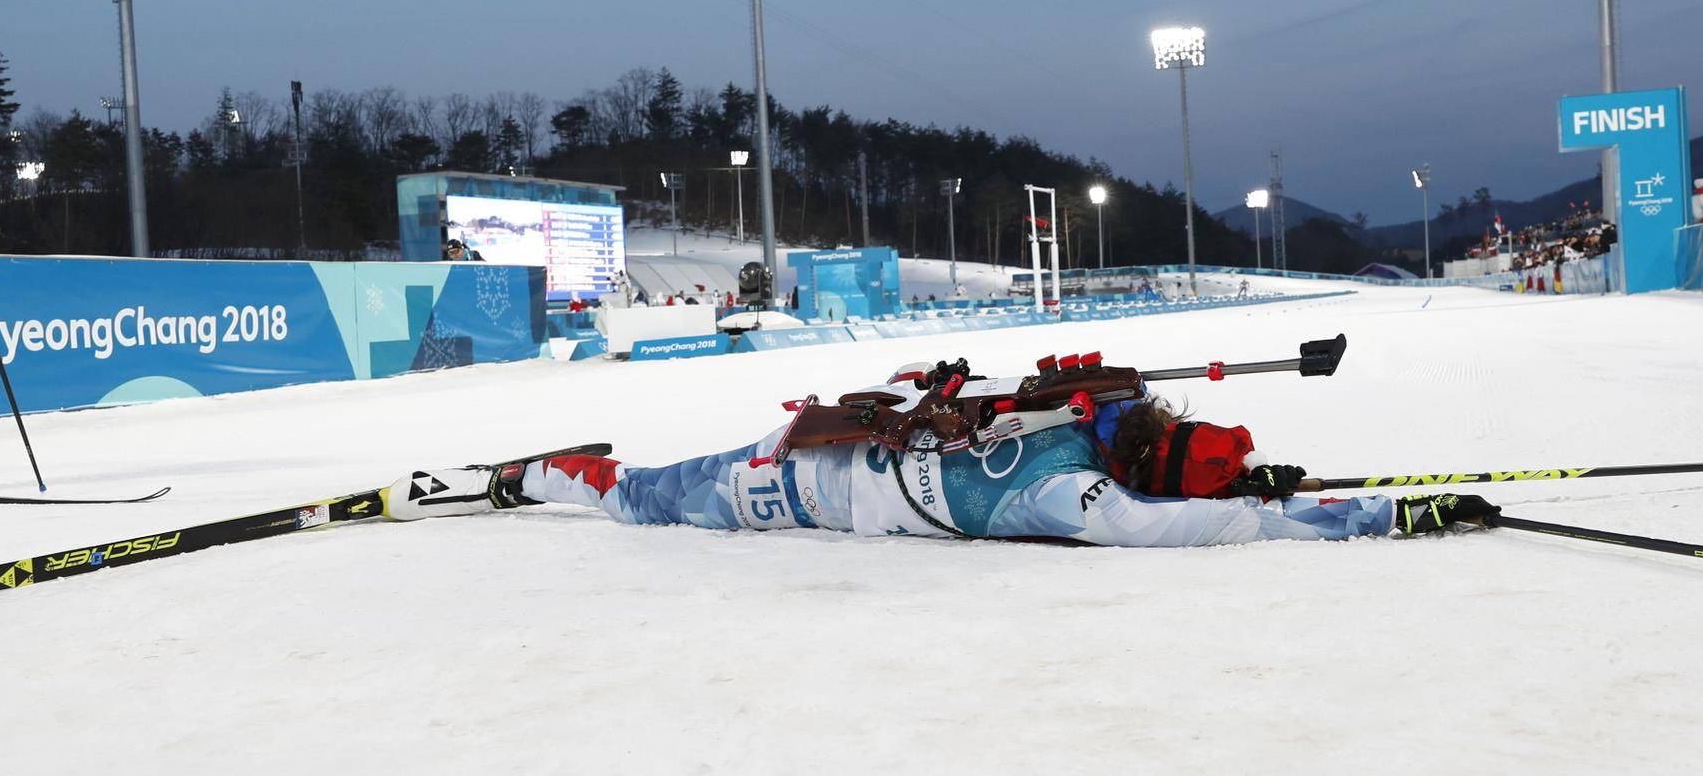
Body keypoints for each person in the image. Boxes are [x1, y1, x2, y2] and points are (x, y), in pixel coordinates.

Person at [383, 356, 1499, 547]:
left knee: (643, 497)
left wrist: (1354, 514)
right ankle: (528, 475)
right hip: (814, 460)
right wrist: (936, 396)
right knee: (632, 499)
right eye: (1153, 422)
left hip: (804, 492)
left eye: (1152, 430)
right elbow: (1216, 512)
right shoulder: (1074, 436)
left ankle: (539, 474)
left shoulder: (1080, 484)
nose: (1141, 420)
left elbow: (1218, 515)